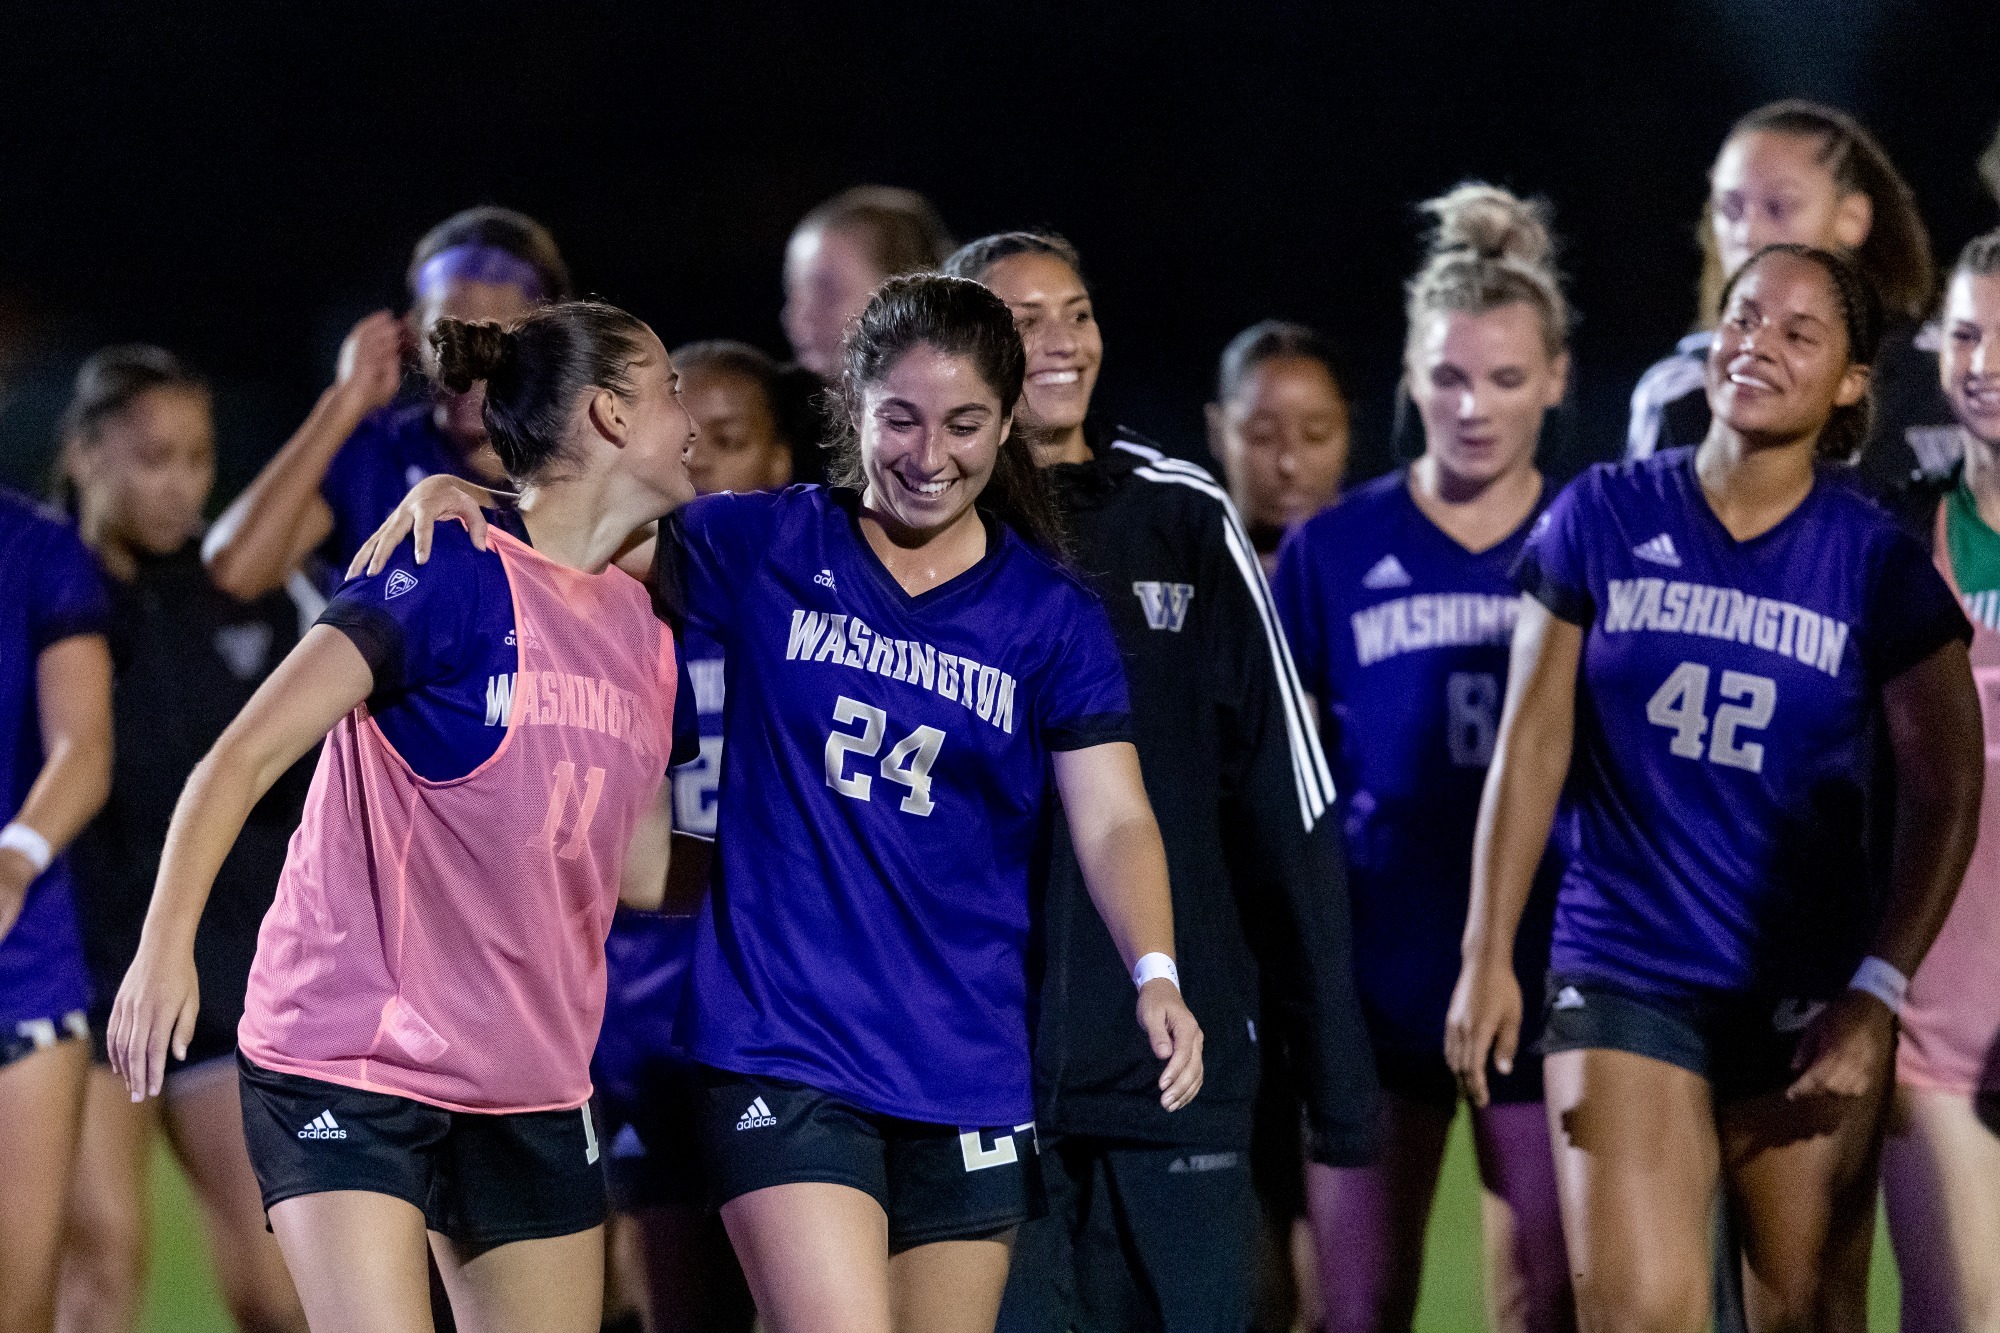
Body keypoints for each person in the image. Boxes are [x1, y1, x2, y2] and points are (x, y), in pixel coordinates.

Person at [351, 273, 1205, 1333]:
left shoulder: (1050, 619)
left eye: (963, 424)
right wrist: (470, 497)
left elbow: (1113, 816)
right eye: (898, 418)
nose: (926, 455)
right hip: (780, 1042)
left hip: (966, 1059)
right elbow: (579, 529)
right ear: (850, 407)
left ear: (1003, 422)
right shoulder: (768, 545)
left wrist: (1155, 972)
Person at [108, 299, 700, 1333]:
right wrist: (167, 944)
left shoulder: (645, 640)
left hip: (530, 1080)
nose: (690, 418)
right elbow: (239, 755)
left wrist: (826, 867)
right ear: (609, 413)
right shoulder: (443, 565)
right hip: (351, 1056)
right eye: (670, 390)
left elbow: (641, 867)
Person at [1448, 243, 1985, 1332]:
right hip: (1622, 966)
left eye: (1798, 332)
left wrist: (1875, 989)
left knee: (1802, 1311)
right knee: (1640, 1312)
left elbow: (1946, 785)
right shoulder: (1600, 510)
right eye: (1744, 318)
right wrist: (1484, 950)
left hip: (1799, 988)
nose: (1758, 345)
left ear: (1848, 382)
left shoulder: (1874, 557)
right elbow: (1530, 744)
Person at [941, 231, 1374, 1333]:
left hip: (1170, 1065)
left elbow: (1286, 797)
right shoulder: (918, 531)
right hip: (978, 1071)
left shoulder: (1181, 517)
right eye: (1021, 317)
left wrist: (1334, 1076)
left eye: (1074, 311)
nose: (1058, 340)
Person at [1273, 185, 1573, 1333]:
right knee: (1355, 1308)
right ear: (1407, 376)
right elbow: (1273, 773)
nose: (1473, 406)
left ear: (1554, 377)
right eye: (1446, 376)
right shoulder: (1333, 546)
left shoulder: (1583, 535)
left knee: (1545, 1298)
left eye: (1504, 378)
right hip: (1369, 976)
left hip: (1542, 969)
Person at [52, 346, 309, 1333]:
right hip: (81, 986)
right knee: (99, 1269)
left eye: (197, 459)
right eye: (151, 457)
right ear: (84, 454)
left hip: (221, 985)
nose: (179, 485)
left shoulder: (244, 589)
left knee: (275, 1291)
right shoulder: (46, 594)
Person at [591, 337, 794, 1333]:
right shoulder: (605, 605)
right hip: (639, 1006)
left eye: (734, 439)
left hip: (782, 1000)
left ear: (781, 464)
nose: (708, 463)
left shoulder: (815, 607)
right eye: (692, 439)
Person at [203, 205, 571, 599]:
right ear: (412, 333)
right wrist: (343, 401)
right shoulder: (378, 455)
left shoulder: (582, 463)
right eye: (447, 333)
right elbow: (237, 571)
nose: (469, 359)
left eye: (494, 336)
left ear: (545, 339)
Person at [1625, 100, 1956, 535]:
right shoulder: (1678, 393)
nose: (1748, 233)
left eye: (1779, 207)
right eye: (1730, 209)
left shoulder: (1948, 374)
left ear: (1852, 217)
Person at [1882, 227, 2000, 1331]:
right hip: (1931, 1024)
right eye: (1963, 332)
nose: (1983, 361)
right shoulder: (1895, 538)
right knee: (1957, 1314)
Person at [0, 482, 113, 1333]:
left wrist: (16, 858)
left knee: (17, 1302)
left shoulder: (38, 547)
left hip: (22, 975)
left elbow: (82, 745)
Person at [776, 186, 954, 484]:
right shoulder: (773, 426)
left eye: (827, 292)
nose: (798, 317)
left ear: (903, 297)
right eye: (792, 293)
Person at [1208, 320, 1352, 573]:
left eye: (1316, 434)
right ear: (1217, 432)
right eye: (1263, 436)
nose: (1289, 464)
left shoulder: (1388, 575)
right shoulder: (1177, 574)